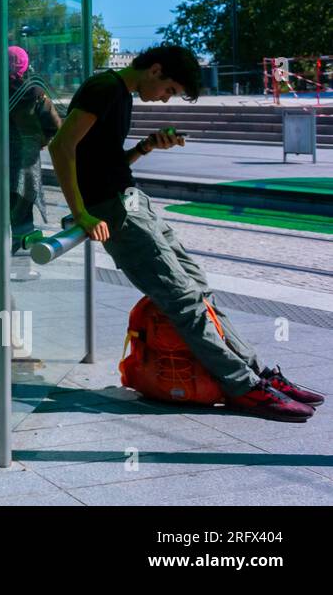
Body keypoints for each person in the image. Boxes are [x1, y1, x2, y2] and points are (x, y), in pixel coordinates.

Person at [50, 44, 323, 421]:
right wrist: (80, 213)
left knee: (197, 288)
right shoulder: (105, 88)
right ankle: (243, 386)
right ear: (155, 70)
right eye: (169, 90)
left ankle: (257, 373)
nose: (164, 99)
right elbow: (61, 146)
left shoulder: (119, 93)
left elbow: (101, 161)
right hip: (113, 211)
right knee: (184, 300)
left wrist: (145, 147)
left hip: (131, 202)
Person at [0, 46, 62, 278]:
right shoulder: (35, 92)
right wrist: (39, 142)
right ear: (24, 65)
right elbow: (55, 125)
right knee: (21, 220)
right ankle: (19, 270)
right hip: (23, 167)